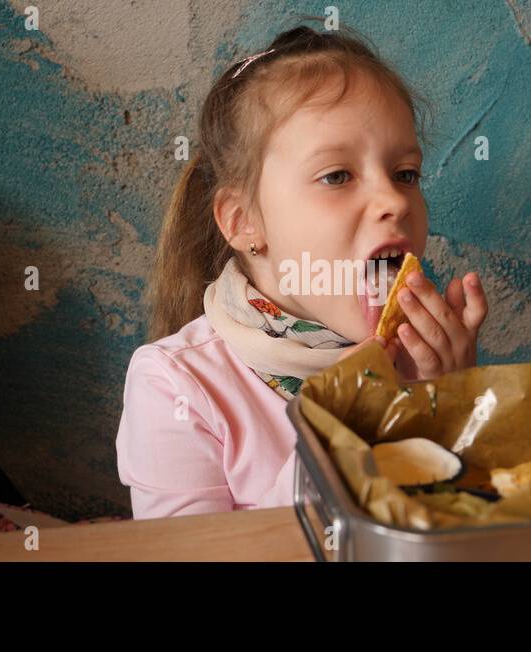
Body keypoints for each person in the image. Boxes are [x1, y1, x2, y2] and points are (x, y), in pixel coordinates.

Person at [116, 24, 488, 519]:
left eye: (405, 174)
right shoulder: (177, 384)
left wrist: (452, 405)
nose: (394, 201)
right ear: (245, 221)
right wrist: (350, 415)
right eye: (336, 175)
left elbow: (471, 522)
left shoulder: (425, 362)